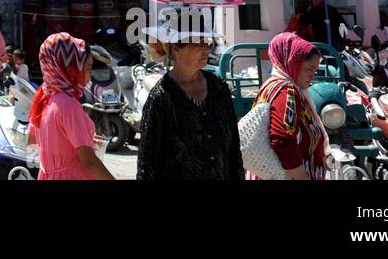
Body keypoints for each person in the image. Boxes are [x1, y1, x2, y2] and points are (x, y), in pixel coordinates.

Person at [136, 15, 244, 181]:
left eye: (206, 43)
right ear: (175, 48)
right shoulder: (161, 97)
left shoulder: (218, 88)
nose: (206, 49)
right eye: (197, 43)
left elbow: (233, 150)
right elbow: (148, 162)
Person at [28, 32, 114, 180]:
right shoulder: (68, 104)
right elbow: (89, 162)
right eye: (87, 68)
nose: (89, 75)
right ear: (69, 68)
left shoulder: (44, 97)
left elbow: (32, 143)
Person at [247, 32, 327, 180]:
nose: (313, 75)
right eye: (309, 69)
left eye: (315, 70)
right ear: (293, 62)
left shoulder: (273, 86)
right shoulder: (285, 90)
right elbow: (283, 141)